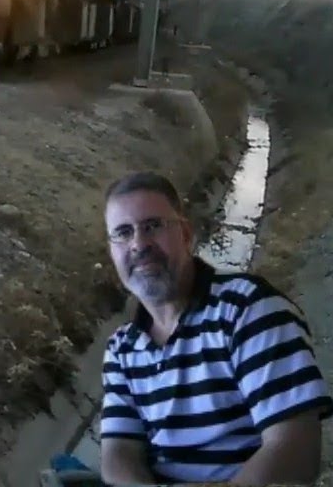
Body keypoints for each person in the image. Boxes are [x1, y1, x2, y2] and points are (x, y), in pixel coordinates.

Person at [97, 171, 331, 485]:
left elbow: (295, 448)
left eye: (153, 226)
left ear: (186, 234)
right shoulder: (121, 349)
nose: (139, 244)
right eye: (123, 233)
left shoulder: (249, 309)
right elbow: (117, 454)